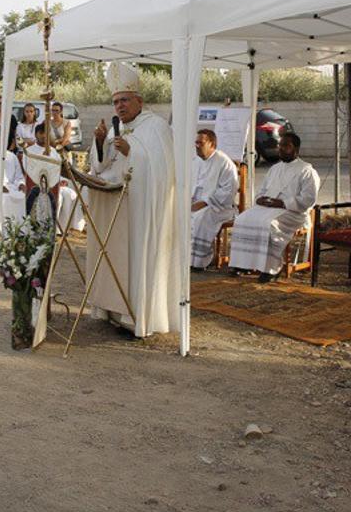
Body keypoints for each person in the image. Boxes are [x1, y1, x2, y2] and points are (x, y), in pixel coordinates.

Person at [86, 62, 183, 337]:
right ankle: (114, 309)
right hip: (115, 205)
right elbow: (102, 167)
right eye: (116, 101)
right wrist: (101, 142)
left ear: (139, 101)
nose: (119, 106)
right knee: (115, 255)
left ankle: (138, 314)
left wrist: (133, 152)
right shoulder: (118, 128)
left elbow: (163, 170)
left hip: (142, 210)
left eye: (125, 100)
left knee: (137, 258)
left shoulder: (156, 127)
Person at [227, 133, 320, 283]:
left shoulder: (307, 171)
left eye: (286, 146)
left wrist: (283, 203)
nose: (281, 149)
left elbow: (308, 199)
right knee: (242, 219)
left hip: (293, 212)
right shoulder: (275, 169)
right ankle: (244, 264)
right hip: (268, 208)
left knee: (268, 225)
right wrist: (261, 199)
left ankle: (270, 268)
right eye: (280, 145)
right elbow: (262, 190)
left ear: (296, 148)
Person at [188, 129, 239, 271]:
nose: (197, 145)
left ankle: (199, 262)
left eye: (201, 142)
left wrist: (204, 203)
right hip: (196, 203)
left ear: (212, 144)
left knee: (200, 218)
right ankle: (184, 258)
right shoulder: (196, 161)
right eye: (196, 142)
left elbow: (228, 191)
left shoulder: (224, 162)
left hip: (220, 207)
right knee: (176, 214)